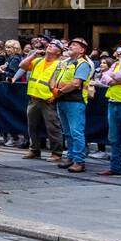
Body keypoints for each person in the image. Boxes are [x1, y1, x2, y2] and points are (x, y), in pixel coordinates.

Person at [52, 37, 95, 174]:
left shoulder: (83, 64)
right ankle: (71, 157)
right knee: (68, 132)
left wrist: (58, 91)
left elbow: (76, 83)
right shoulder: (65, 63)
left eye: (74, 45)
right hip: (62, 100)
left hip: (75, 102)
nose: (70, 46)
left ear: (82, 50)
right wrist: (54, 89)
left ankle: (79, 161)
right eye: (70, 45)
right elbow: (53, 78)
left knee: (76, 132)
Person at [20, 38, 63, 161]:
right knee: (32, 126)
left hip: (48, 100)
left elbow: (60, 82)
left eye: (54, 45)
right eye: (49, 44)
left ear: (59, 52)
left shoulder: (60, 64)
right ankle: (34, 150)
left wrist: (55, 96)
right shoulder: (38, 60)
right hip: (34, 98)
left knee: (53, 127)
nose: (50, 46)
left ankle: (56, 153)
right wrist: (33, 54)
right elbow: (22, 65)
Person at [99, 38, 121, 178]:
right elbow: (103, 77)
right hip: (114, 101)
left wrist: (112, 78)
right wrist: (117, 80)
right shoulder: (116, 63)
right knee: (115, 138)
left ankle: (116, 167)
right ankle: (115, 168)